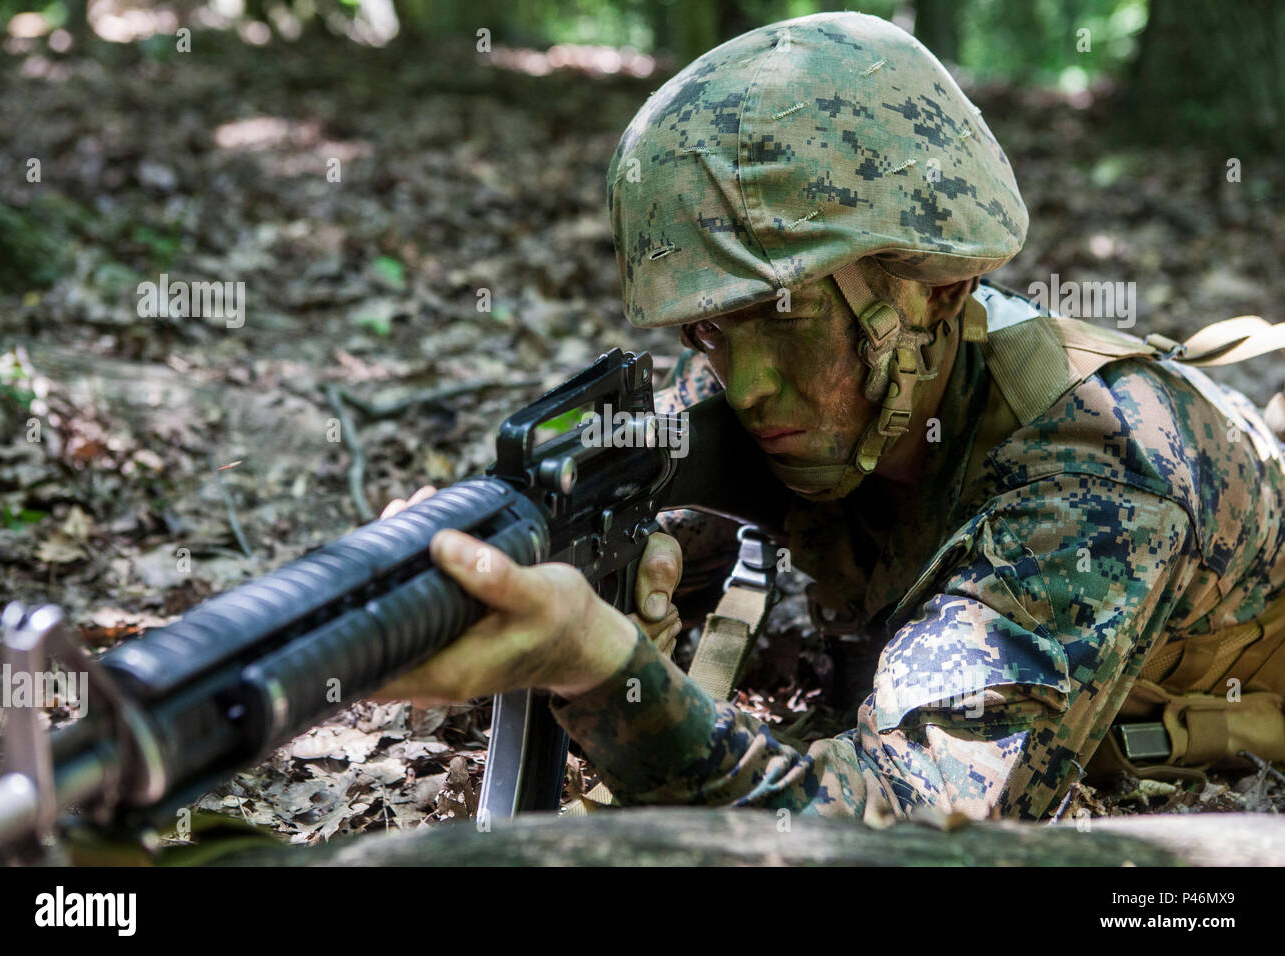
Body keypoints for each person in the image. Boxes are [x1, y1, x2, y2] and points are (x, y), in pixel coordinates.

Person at [380, 11, 1285, 821]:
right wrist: (484, 582)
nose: (745, 387)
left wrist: (606, 672)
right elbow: (645, 537)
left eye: (783, 320)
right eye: (709, 331)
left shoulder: (1094, 478)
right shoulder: (805, 381)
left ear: (934, 288)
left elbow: (906, 830)